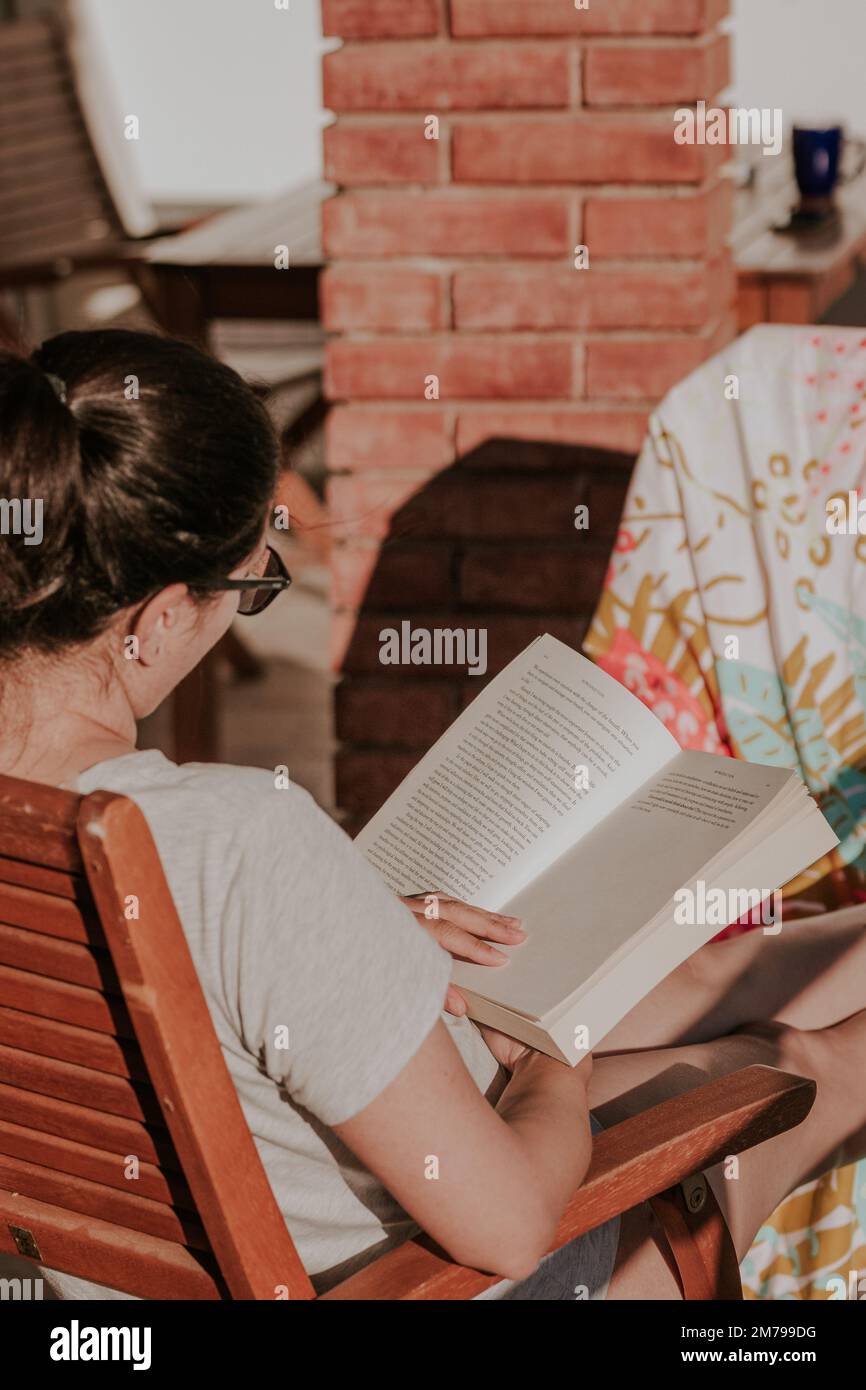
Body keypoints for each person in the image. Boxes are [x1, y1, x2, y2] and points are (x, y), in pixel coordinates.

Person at [1, 329, 865, 1302]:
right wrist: (553, 1066)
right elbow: (508, 1224)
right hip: (436, 1271)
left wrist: (351, 932)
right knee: (789, 1066)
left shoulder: (132, 849)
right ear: (156, 619)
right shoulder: (237, 843)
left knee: (713, 970)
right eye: (250, 588)